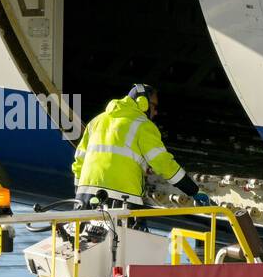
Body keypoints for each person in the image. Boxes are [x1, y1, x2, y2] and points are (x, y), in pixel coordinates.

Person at [72, 83, 210, 212]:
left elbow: (79, 159)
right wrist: (193, 190)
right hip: (123, 198)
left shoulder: (97, 121)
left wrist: (79, 190)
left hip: (85, 195)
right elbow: (163, 164)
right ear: (142, 103)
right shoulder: (143, 126)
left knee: (81, 236)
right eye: (154, 106)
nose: (155, 112)